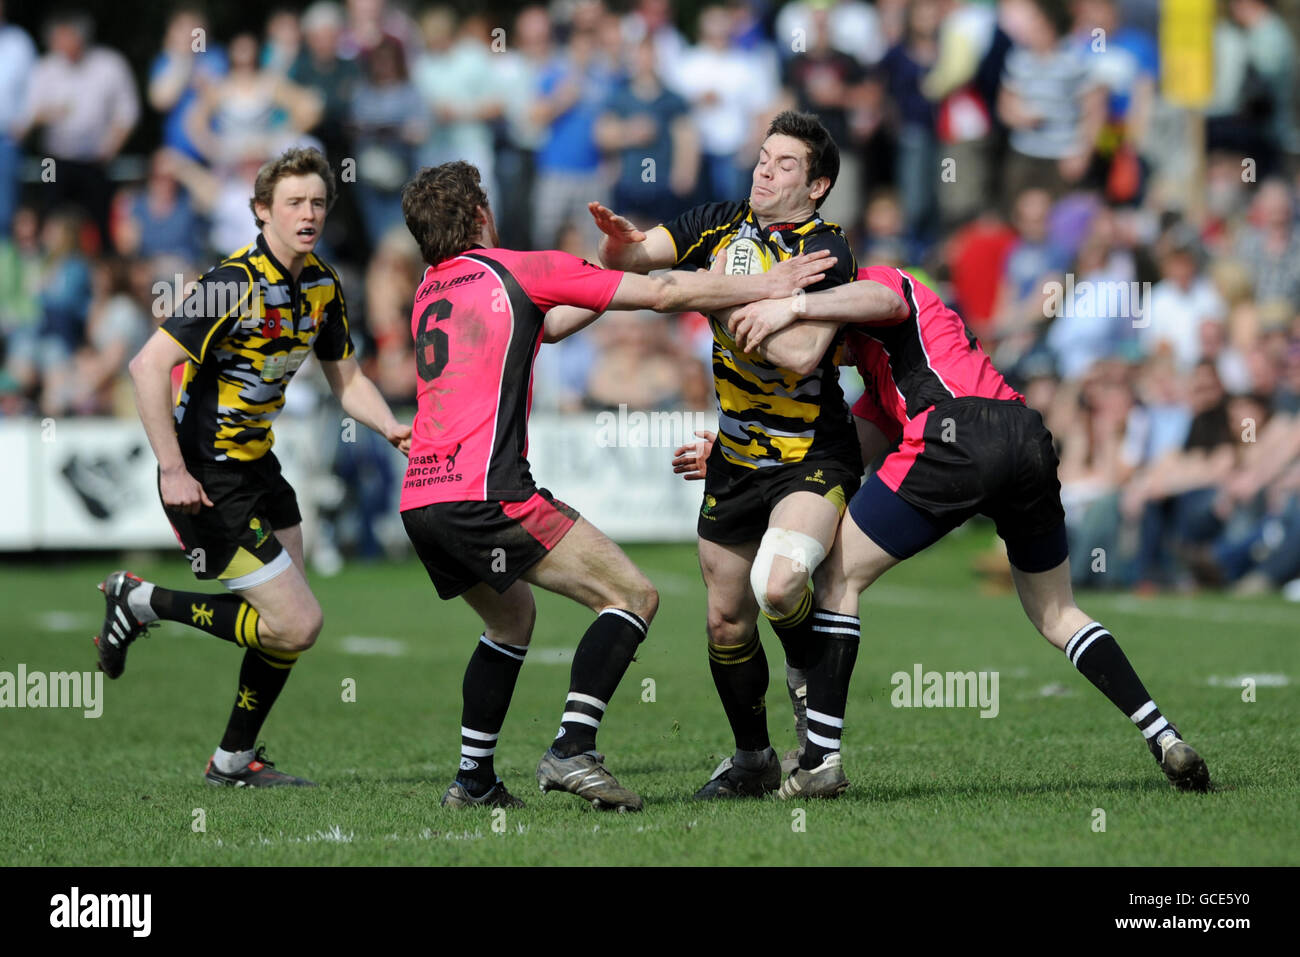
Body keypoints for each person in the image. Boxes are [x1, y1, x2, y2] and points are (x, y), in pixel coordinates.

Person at [397, 160, 834, 811]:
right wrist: (762, 284)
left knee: (511, 619)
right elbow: (661, 298)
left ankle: (474, 778)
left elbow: (548, 320)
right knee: (632, 593)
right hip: (486, 491)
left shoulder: (431, 292)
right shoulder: (521, 266)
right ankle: (573, 747)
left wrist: (614, 271)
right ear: (482, 214)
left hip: (422, 500)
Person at [693, 264, 1212, 796]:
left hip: (953, 433)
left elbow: (883, 294)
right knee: (1057, 612)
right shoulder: (887, 372)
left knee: (836, 581)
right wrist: (742, 458)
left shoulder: (874, 284)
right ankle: (1164, 736)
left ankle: (820, 760)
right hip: (1024, 435)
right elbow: (841, 458)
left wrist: (794, 306)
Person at [93, 147, 412, 788]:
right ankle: (142, 600)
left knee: (286, 628)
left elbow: (345, 377)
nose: (309, 213)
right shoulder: (230, 283)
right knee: (298, 624)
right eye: (294, 202)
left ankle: (234, 761)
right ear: (262, 211)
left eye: (319, 202)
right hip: (207, 477)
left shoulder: (322, 285)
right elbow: (146, 367)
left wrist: (391, 427)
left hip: (259, 468)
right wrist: (171, 469)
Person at [591, 110, 863, 799]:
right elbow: (629, 267)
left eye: (785, 165)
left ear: (819, 185)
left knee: (779, 586)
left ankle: (807, 681)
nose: (764, 171)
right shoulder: (716, 221)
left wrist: (711, 295)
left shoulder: (827, 250)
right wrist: (621, 245)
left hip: (811, 452)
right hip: (736, 454)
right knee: (724, 617)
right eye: (763, 157)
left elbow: (803, 356)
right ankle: (752, 758)